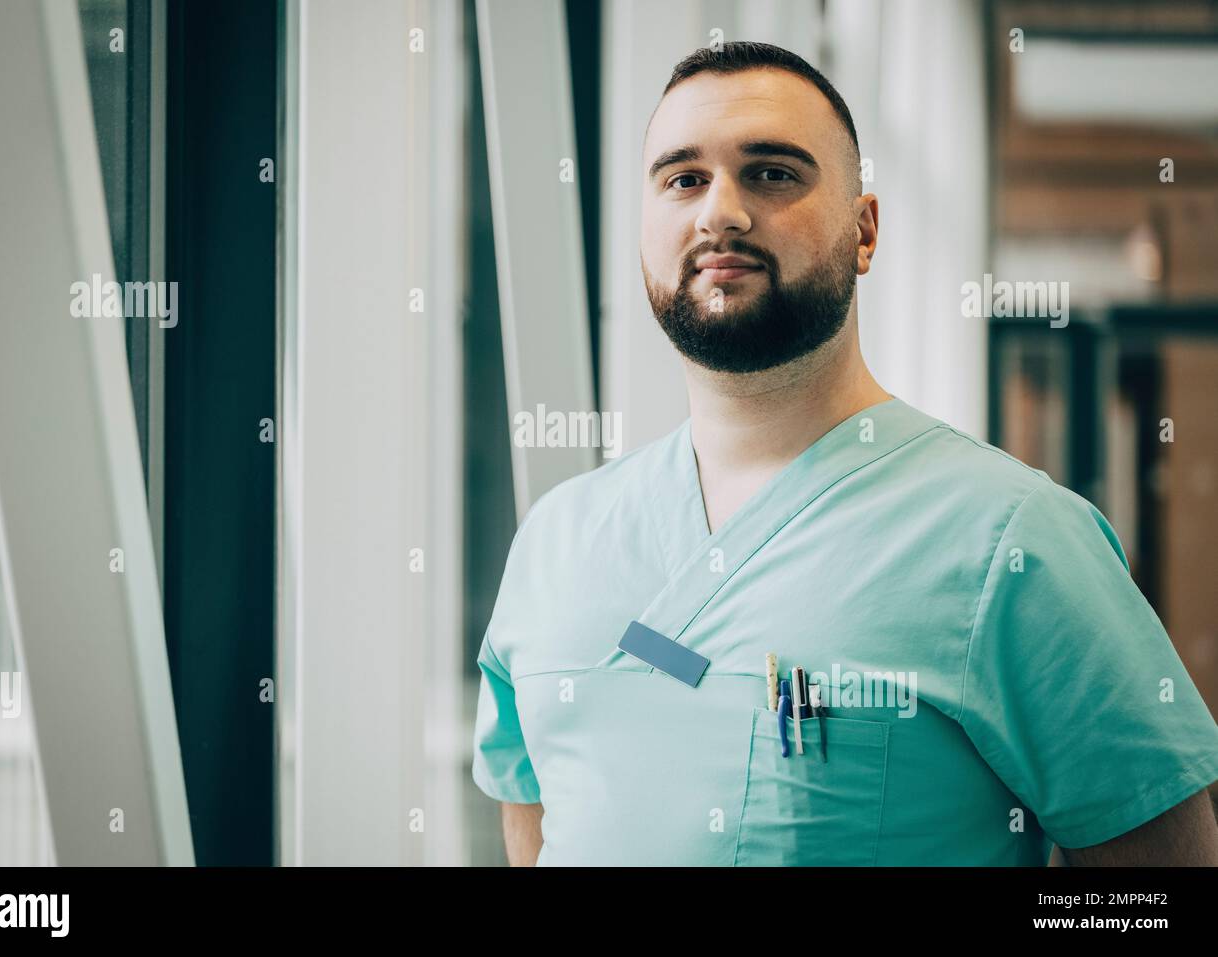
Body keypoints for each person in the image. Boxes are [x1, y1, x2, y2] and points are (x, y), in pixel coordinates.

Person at [471, 41, 1218, 866]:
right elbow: (533, 825)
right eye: (683, 179)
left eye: (772, 173)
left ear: (863, 231)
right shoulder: (556, 542)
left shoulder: (1014, 543)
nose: (719, 211)